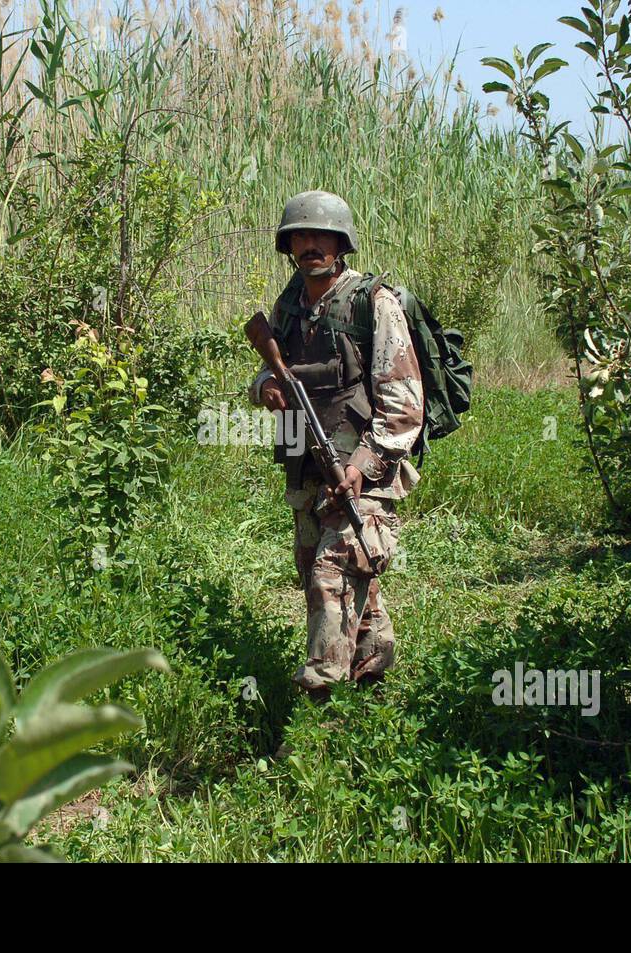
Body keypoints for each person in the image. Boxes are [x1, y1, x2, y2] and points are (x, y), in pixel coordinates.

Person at [249, 190, 424, 699]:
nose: (310, 245)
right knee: (326, 574)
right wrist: (266, 388)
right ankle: (372, 675)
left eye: (321, 236)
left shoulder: (374, 303)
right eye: (300, 236)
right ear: (289, 246)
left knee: (332, 576)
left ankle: (318, 708)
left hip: (363, 475)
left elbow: (405, 402)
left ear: (341, 242)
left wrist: (365, 464)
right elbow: (265, 370)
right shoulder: (287, 308)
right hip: (308, 472)